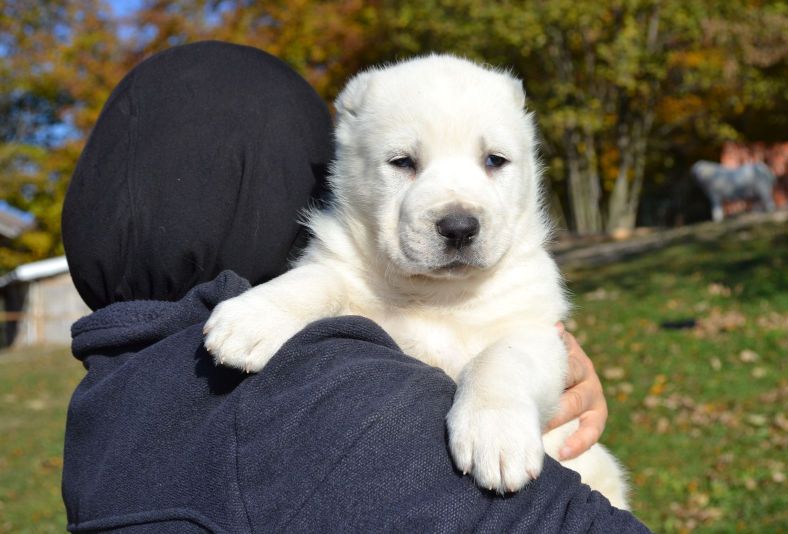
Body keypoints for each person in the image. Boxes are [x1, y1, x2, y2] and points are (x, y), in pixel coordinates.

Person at [61, 41, 650, 533]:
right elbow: (331, 280)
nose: (457, 212)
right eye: (403, 162)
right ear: (347, 160)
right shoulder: (338, 269)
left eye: (494, 160)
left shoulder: (521, 273)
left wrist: (506, 388)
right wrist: (290, 299)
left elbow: (535, 345)